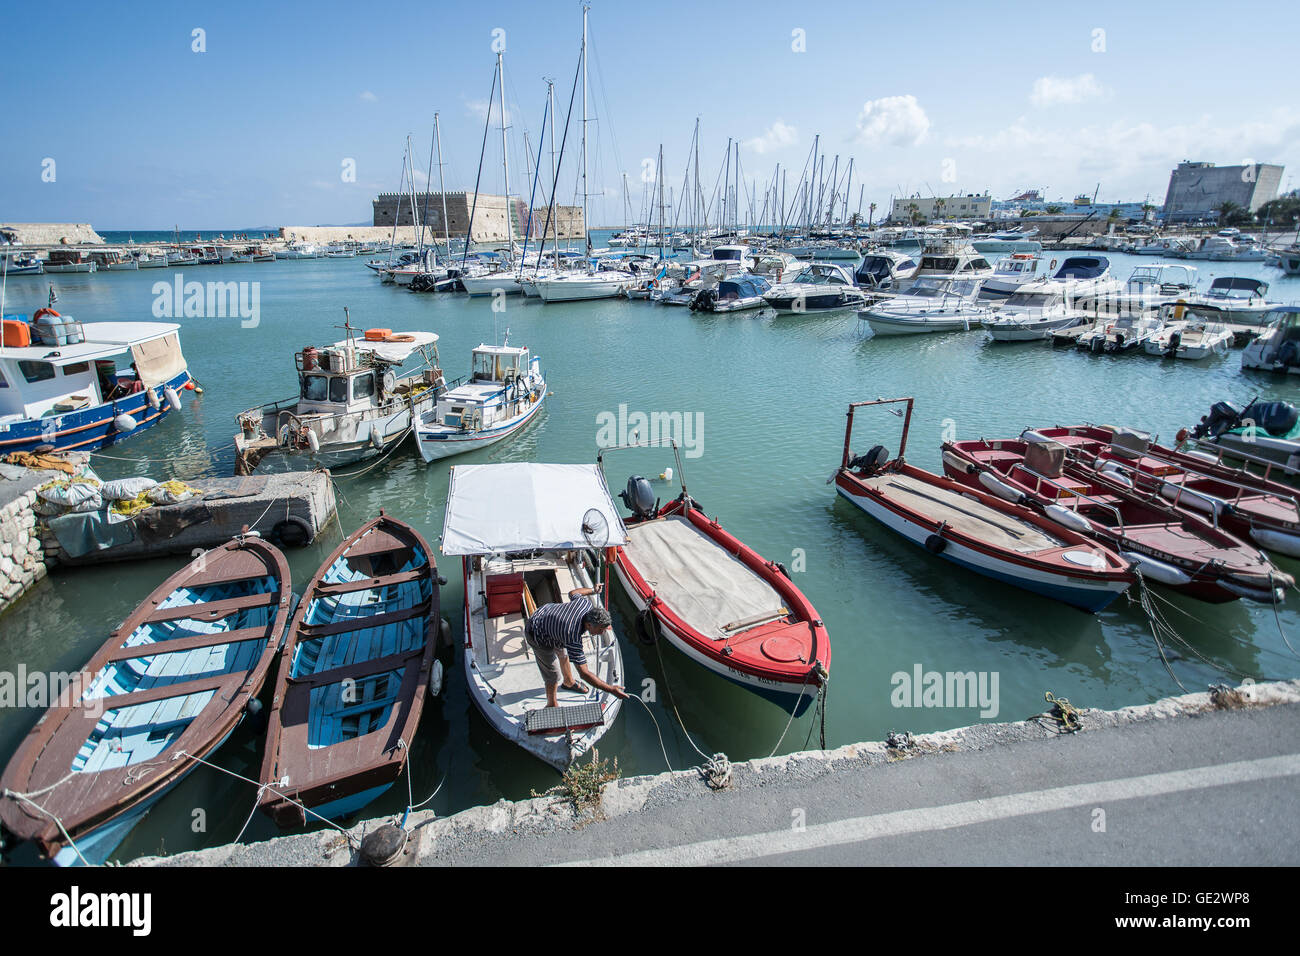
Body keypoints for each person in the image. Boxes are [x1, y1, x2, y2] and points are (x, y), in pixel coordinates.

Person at [524, 584, 628, 708]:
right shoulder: (572, 636)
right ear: (589, 625)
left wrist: (592, 590)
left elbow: (573, 592)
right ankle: (551, 704)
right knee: (553, 675)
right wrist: (610, 689)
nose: (602, 633)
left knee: (563, 654)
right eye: (600, 629)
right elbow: (584, 673)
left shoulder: (585, 605)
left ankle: (568, 682)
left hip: (550, 617)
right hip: (536, 632)